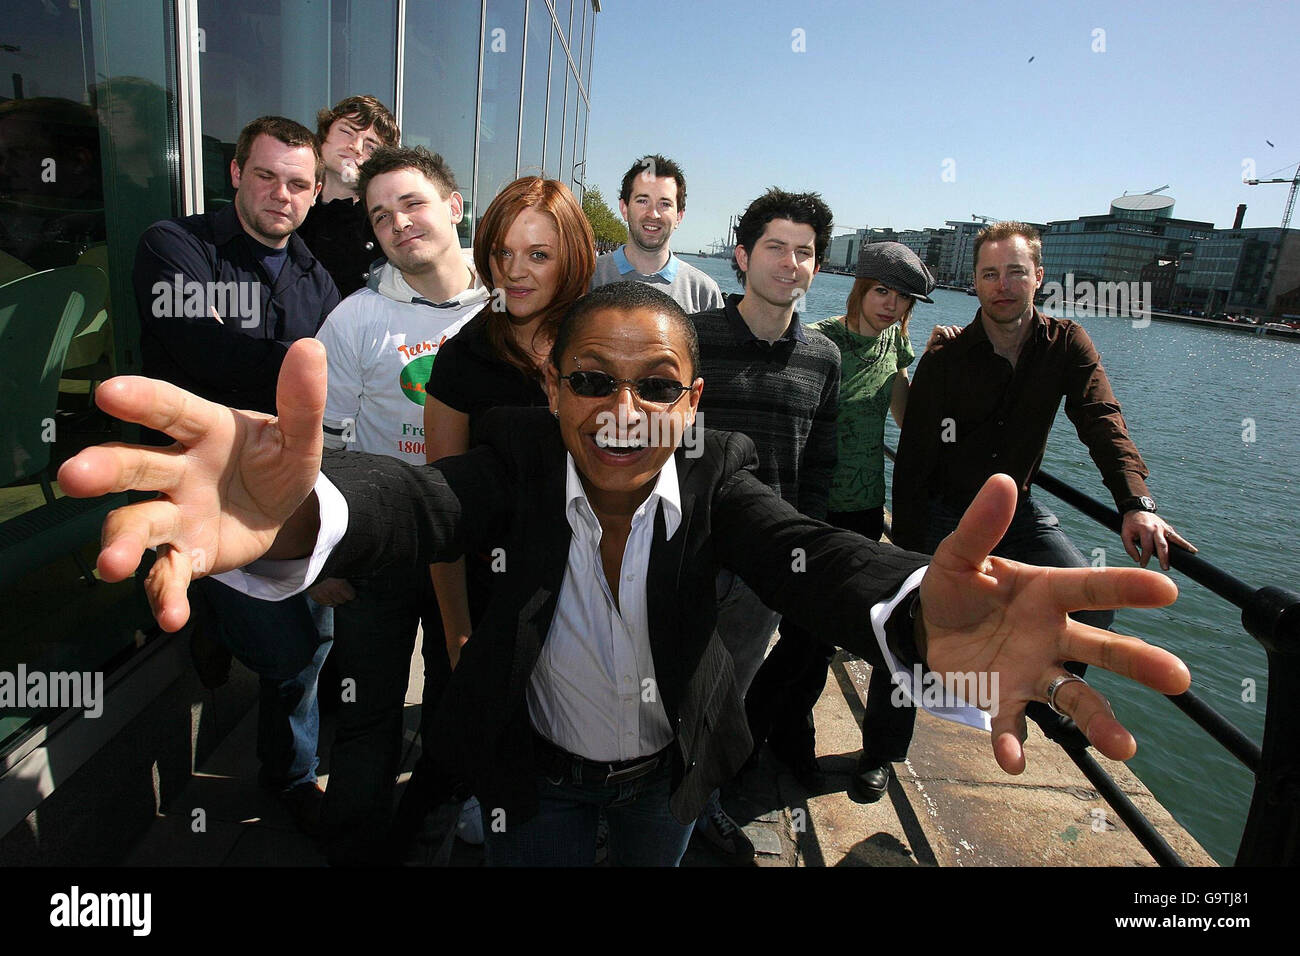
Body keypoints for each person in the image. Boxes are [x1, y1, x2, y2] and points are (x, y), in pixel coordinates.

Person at [60, 280, 1194, 867]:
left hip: (667, 781)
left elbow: (810, 556)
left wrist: (915, 608)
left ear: (692, 403)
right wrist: (305, 508)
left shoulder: (724, 479)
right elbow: (418, 505)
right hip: (530, 778)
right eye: (592, 380)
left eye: (658, 385)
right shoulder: (508, 459)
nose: (623, 410)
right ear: (551, 389)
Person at [891, 220, 1197, 744]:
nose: (1002, 286)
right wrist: (908, 553)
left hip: (1019, 511)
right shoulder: (946, 359)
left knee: (1095, 599)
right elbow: (914, 458)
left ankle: (1049, 691)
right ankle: (883, 747)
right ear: (975, 282)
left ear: (1039, 276)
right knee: (910, 626)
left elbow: (1101, 418)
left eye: (1015, 272)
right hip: (949, 514)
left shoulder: (1065, 344)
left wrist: (1135, 502)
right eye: (990, 274)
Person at [131, 114, 340, 833]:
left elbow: (324, 401)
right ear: (235, 174)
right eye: (265, 175)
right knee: (290, 649)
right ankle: (215, 622)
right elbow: (205, 355)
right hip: (193, 490)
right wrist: (307, 375)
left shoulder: (320, 282)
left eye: (298, 183)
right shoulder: (174, 246)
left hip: (281, 490)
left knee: (314, 637)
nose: (280, 194)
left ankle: (288, 776)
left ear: (315, 195)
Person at [312, 144, 490, 864]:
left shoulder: (508, 308)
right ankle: (354, 847)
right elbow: (314, 451)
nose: (399, 223)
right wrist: (318, 556)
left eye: (412, 202)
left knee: (461, 700)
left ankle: (439, 824)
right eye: (380, 215)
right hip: (377, 553)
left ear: (453, 205)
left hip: (475, 547)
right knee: (365, 714)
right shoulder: (353, 320)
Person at [748, 241, 947, 803]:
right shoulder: (823, 341)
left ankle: (771, 739)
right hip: (818, 507)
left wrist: (933, 364)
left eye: (903, 297)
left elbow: (907, 417)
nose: (890, 304)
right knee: (803, 640)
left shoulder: (896, 343)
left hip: (864, 510)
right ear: (861, 285)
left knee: (817, 640)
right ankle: (759, 739)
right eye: (883, 290)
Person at [688, 187, 840, 858]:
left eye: (804, 252)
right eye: (775, 248)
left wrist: (802, 560)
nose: (789, 263)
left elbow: (819, 469)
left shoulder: (823, 358)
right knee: (656, 685)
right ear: (742, 257)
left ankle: (700, 806)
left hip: (764, 571)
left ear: (817, 268)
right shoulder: (689, 337)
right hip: (683, 551)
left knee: (729, 698)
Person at [422, 176, 595, 665]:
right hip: (487, 597)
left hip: (586, 598)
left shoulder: (602, 351)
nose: (515, 272)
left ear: (573, 259)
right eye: (502, 253)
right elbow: (444, 516)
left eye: (539, 255)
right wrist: (458, 634)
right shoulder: (462, 359)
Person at [590, 154, 723, 312]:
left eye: (664, 204)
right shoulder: (588, 279)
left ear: (679, 216)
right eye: (642, 201)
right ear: (624, 209)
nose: (653, 214)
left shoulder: (704, 295)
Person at [296, 95, 400, 297]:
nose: (356, 147)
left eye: (371, 146)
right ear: (322, 137)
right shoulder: (288, 206)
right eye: (346, 131)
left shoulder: (387, 225)